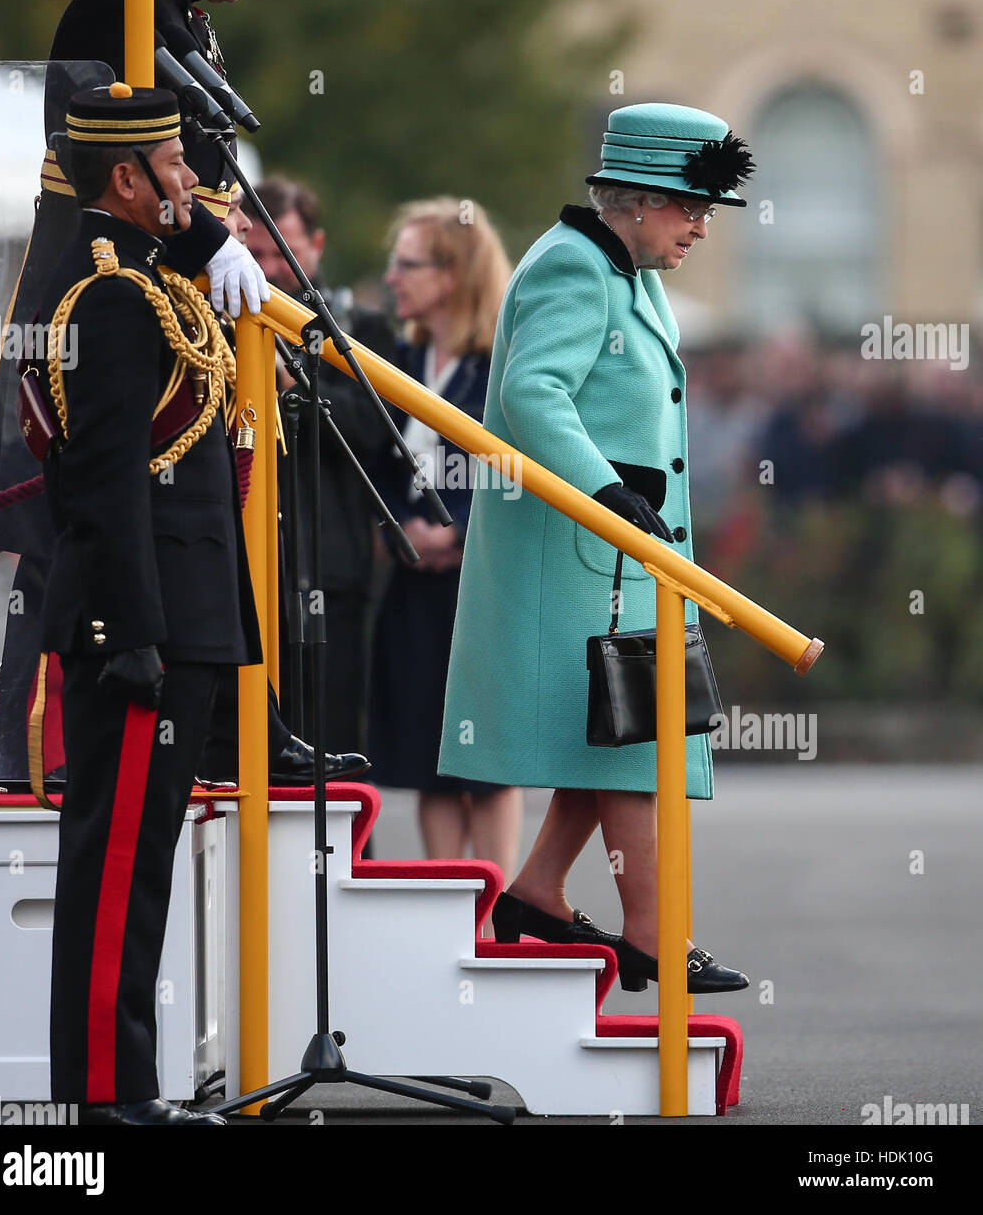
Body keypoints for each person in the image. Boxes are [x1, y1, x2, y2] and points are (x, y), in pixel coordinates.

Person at [0, 0, 317, 787]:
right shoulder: (130, 5)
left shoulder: (167, 4)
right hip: (97, 277)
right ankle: (42, 753)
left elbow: (187, 152)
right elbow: (126, 166)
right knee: (73, 520)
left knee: (195, 506)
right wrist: (212, 244)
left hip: (148, 279)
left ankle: (237, 722)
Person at [437, 105, 755, 992]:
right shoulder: (575, 265)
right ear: (641, 201)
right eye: (691, 207)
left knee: (612, 734)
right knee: (630, 744)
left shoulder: (624, 269)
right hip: (584, 556)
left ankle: (537, 889)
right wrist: (608, 494)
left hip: (611, 560)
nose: (699, 227)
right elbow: (535, 392)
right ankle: (652, 936)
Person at [33, 83, 259, 1124]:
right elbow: (110, 477)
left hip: (183, 614)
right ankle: (102, 1103)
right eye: (173, 165)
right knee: (115, 872)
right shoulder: (114, 296)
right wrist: (128, 632)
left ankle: (128, 1089)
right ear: (125, 179)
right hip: (142, 627)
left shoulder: (150, 282)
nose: (191, 181)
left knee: (142, 878)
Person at [369, 198, 522, 885]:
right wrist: (396, 533)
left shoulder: (501, 366)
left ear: (453, 274)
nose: (392, 276)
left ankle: (494, 926)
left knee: (485, 765)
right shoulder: (398, 357)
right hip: (413, 586)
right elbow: (372, 465)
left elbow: (519, 472)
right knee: (431, 761)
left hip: (480, 591)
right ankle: (449, 916)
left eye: (409, 263)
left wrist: (458, 532)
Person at [245, 178, 396, 759]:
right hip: (252, 562)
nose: (264, 266)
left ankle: (350, 851)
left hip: (330, 566)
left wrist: (290, 377)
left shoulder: (361, 328)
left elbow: (369, 431)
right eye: (251, 252)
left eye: (277, 250)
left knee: (333, 736)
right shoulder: (223, 316)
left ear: (315, 245)